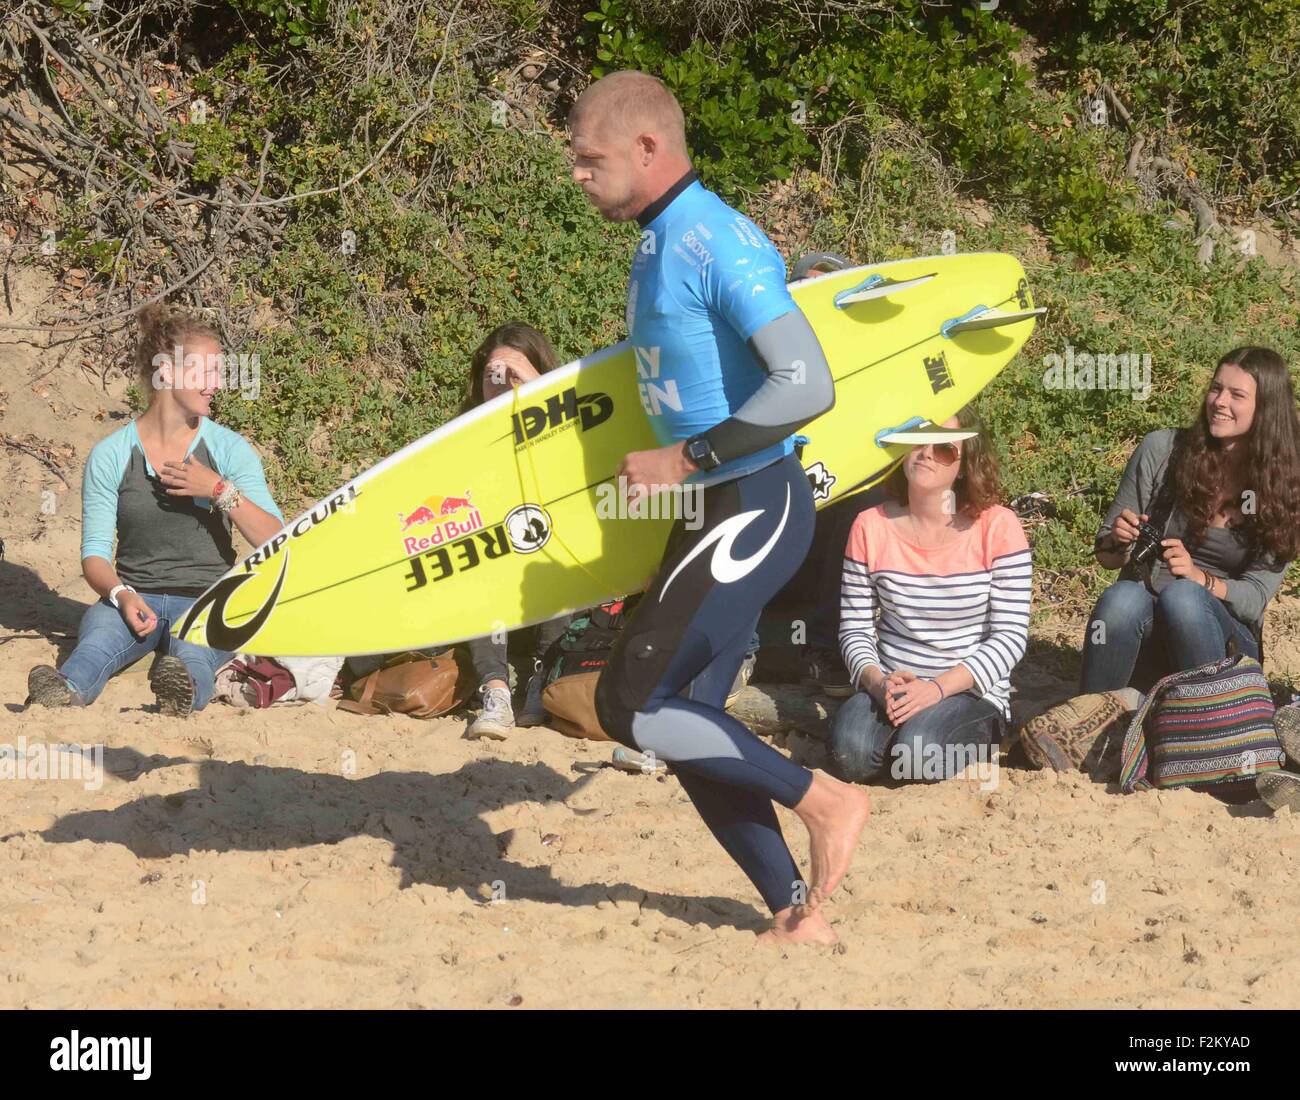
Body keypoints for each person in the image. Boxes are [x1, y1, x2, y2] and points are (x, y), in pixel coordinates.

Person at [569, 70, 872, 946]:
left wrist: (686, 455)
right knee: (684, 721)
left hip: (755, 501)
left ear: (648, 149)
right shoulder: (660, 242)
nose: (579, 177)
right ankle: (794, 913)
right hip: (710, 510)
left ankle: (826, 800)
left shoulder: (714, 239)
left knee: (631, 705)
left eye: (592, 161)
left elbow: (806, 382)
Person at [25, 302, 284, 716]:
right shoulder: (111, 453)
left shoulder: (228, 449)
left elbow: (277, 538)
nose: (216, 384)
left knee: (192, 659)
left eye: (219, 372)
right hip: (134, 596)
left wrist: (219, 490)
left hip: (208, 599)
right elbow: (93, 555)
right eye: (205, 372)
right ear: (166, 372)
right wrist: (121, 595)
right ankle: (65, 690)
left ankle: (180, 695)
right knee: (95, 643)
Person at [1080, 347, 1300, 694]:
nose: (1219, 401)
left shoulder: (1285, 486)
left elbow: (1255, 596)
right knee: (1121, 599)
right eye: (1216, 388)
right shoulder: (1163, 451)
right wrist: (1119, 542)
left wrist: (1200, 579)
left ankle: (1212, 730)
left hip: (1221, 639)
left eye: (1237, 395)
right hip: (1147, 618)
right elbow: (1106, 557)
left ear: (1266, 410)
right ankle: (1091, 723)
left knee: (1183, 598)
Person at [831, 408, 1032, 783]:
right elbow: (855, 628)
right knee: (850, 754)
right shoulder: (869, 526)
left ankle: (970, 734)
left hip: (968, 687)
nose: (926, 452)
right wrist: (876, 682)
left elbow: (1010, 637)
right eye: (918, 441)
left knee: (921, 754)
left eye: (944, 448)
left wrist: (937, 689)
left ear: (965, 465)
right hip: (894, 684)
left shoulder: (998, 526)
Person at [459, 322, 576, 739]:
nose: (504, 385)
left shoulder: (568, 433)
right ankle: (495, 692)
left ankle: (541, 682)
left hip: (551, 588)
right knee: (474, 569)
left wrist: (533, 392)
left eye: (517, 375)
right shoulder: (461, 441)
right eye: (494, 375)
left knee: (558, 555)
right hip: (493, 590)